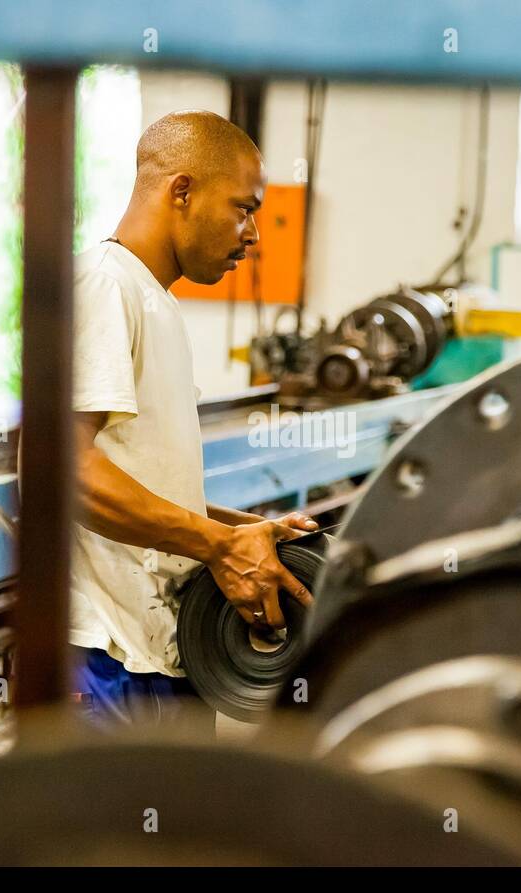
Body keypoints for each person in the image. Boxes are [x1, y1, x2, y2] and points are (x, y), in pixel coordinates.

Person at [69, 110, 317, 734]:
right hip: (106, 658)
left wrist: (247, 532)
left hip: (161, 651)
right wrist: (218, 547)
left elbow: (144, 484)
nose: (253, 233)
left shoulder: (156, 300)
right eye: (243, 208)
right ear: (182, 191)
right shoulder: (105, 286)